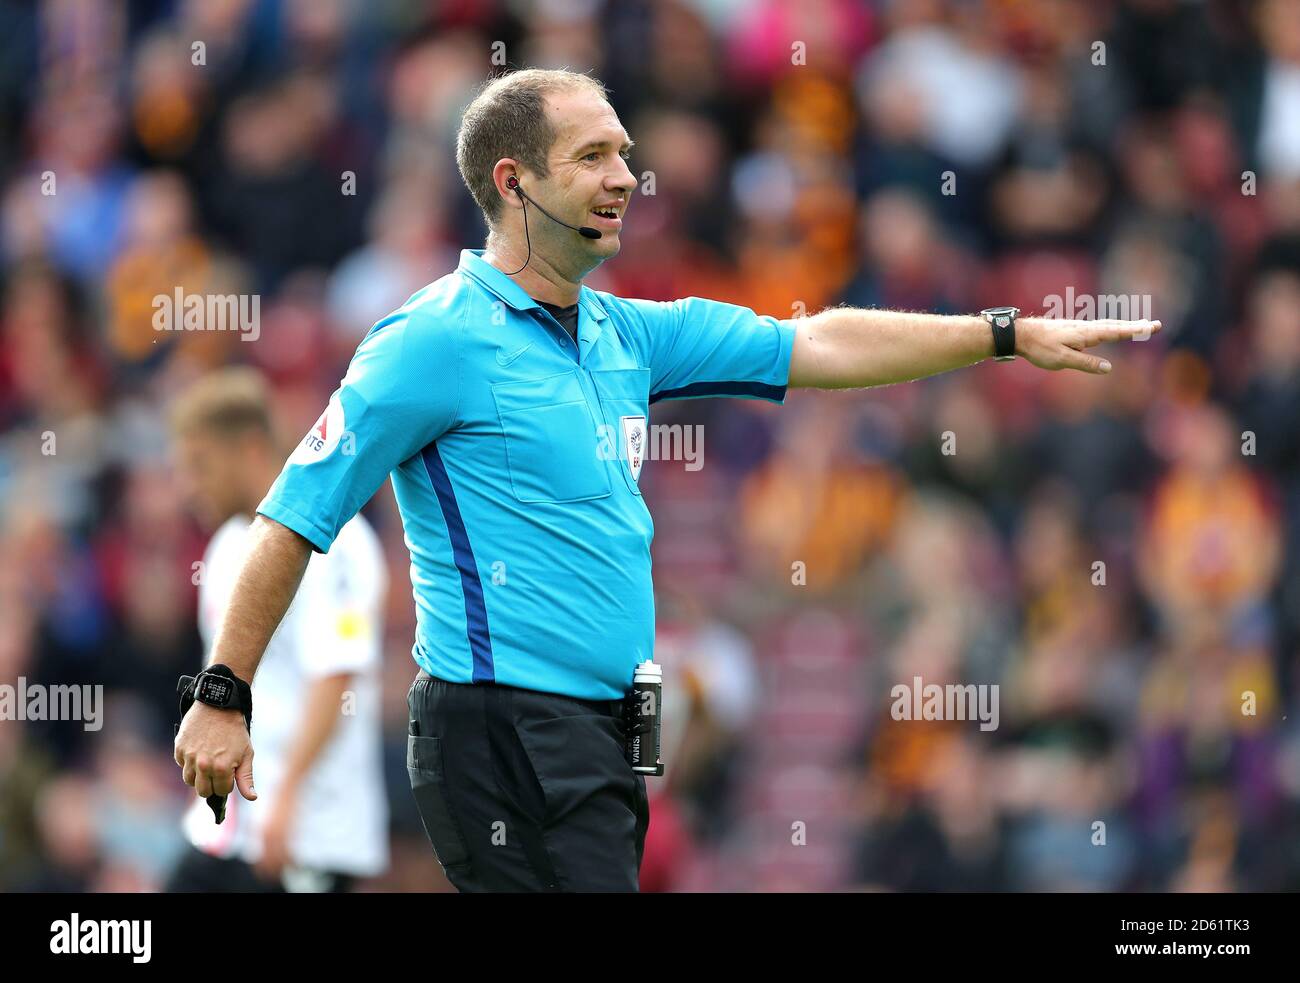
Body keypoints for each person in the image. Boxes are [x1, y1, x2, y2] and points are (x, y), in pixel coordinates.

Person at [172, 68, 1159, 893]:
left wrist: (1002, 332)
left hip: (606, 733)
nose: (626, 176)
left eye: (627, 154)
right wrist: (224, 691)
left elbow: (815, 339)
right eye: (595, 156)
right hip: (496, 729)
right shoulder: (428, 341)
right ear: (513, 183)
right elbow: (294, 513)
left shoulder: (627, 330)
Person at [166, 368, 388, 893]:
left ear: (247, 448)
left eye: (200, 465)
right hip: (233, 830)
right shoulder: (223, 549)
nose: (189, 487)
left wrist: (287, 802)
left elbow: (337, 680)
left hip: (308, 832)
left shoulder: (339, 544)